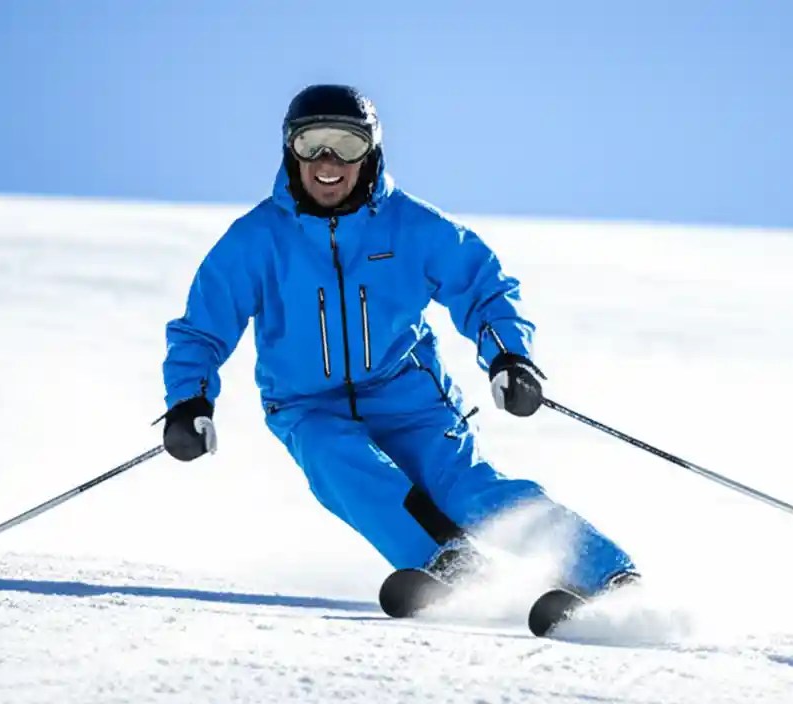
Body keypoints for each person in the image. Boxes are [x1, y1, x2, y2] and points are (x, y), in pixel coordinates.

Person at [161, 84, 636, 602]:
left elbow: (483, 287)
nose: (328, 160)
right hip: (306, 404)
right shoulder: (257, 239)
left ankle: (606, 578)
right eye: (311, 143)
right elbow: (202, 329)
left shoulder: (411, 226)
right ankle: (451, 565)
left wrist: (509, 356)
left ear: (371, 152)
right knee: (335, 457)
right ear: (289, 150)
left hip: (411, 400)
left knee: (470, 493)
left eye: (346, 144)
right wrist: (189, 402)